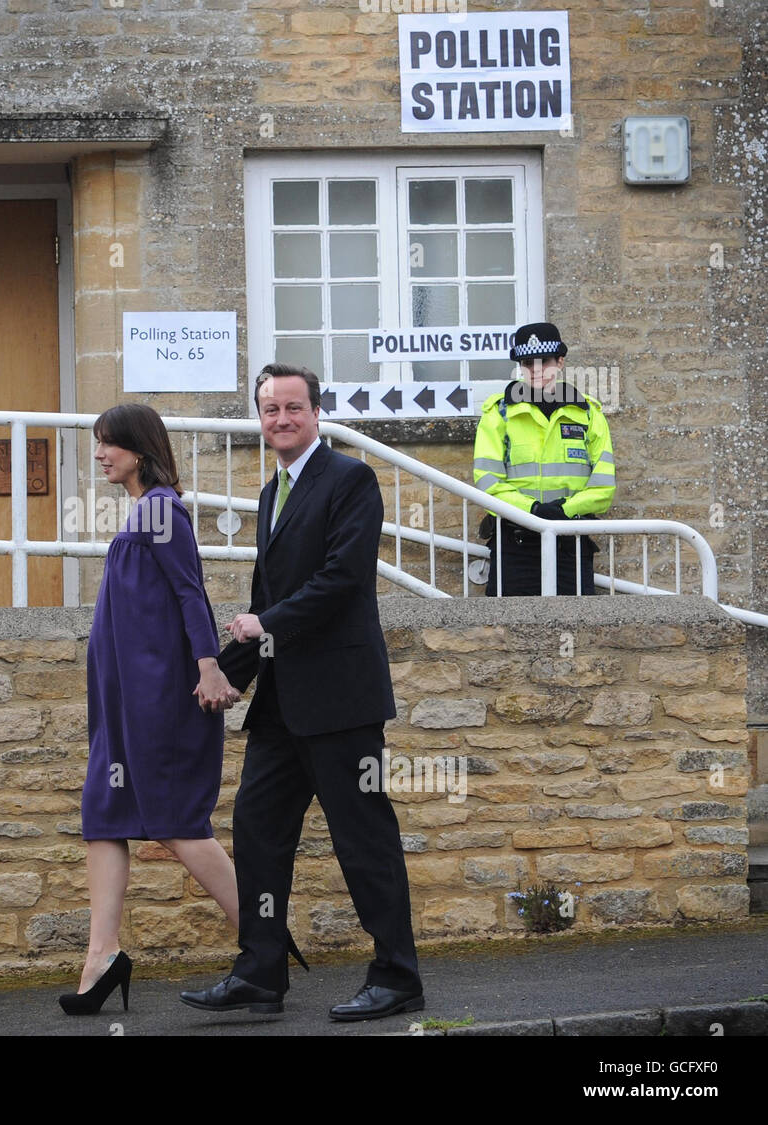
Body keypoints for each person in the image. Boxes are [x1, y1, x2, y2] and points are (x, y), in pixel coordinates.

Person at [179, 364, 423, 1022]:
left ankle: (397, 975)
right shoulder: (270, 493)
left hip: (342, 700)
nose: (280, 418)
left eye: (292, 407)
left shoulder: (351, 480)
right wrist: (226, 672)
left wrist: (269, 625)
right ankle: (260, 971)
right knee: (257, 831)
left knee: (363, 837)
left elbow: (343, 579)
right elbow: (266, 601)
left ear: (316, 411)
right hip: (283, 706)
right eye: (268, 409)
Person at [61, 403, 242, 1015]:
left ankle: (261, 935)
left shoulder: (162, 508)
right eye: (98, 443)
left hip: (157, 698)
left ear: (139, 449)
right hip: (122, 702)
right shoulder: (142, 510)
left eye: (109, 444)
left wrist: (209, 666)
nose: (101, 454)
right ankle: (101, 956)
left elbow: (191, 592)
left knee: (174, 818)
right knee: (105, 813)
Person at [473, 322, 616, 596]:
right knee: (507, 631)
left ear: (560, 362)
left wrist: (564, 510)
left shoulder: (588, 414)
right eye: (528, 363)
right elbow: (488, 483)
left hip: (570, 544)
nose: (536, 370)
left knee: (580, 628)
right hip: (514, 546)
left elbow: (604, 486)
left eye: (545, 361)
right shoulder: (498, 413)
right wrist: (534, 510)